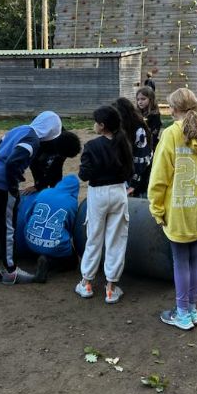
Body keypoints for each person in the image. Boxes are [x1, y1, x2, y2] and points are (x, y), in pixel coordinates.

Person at [148, 88, 197, 330]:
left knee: (180, 261)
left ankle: (181, 313)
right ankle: (192, 309)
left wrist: (156, 208)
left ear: (173, 109)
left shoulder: (171, 134)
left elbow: (159, 177)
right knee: (196, 258)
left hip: (178, 211)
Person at [0, 111, 62, 285]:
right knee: (7, 227)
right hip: (2, 183)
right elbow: (13, 162)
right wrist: (13, 185)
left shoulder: (17, 129)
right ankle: (11, 271)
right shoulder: (33, 139)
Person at [76, 105, 134, 303]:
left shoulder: (92, 146)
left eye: (96, 122)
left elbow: (84, 174)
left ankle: (86, 283)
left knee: (94, 237)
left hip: (98, 194)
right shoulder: (123, 143)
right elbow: (130, 171)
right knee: (117, 239)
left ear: (101, 125)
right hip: (119, 192)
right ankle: (111, 288)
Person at [17, 174, 81, 283]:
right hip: (53, 244)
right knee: (73, 261)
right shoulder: (72, 202)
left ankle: (41, 254)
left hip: (29, 240)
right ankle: (50, 262)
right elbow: (70, 227)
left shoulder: (45, 192)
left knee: (42, 245)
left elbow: (28, 214)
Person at [113, 97, 153, 198]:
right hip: (127, 175)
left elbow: (142, 160)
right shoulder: (121, 128)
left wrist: (133, 184)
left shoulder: (138, 130)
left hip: (140, 177)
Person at [24, 130, 82, 194]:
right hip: (40, 148)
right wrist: (38, 185)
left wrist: (56, 186)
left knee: (56, 178)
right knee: (41, 184)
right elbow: (34, 164)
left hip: (55, 145)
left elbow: (57, 165)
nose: (63, 158)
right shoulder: (39, 142)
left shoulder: (66, 140)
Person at [136, 86, 162, 153]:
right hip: (137, 146)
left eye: (143, 99)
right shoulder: (136, 114)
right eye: (138, 99)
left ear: (151, 99)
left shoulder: (155, 115)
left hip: (150, 147)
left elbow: (154, 134)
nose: (140, 102)